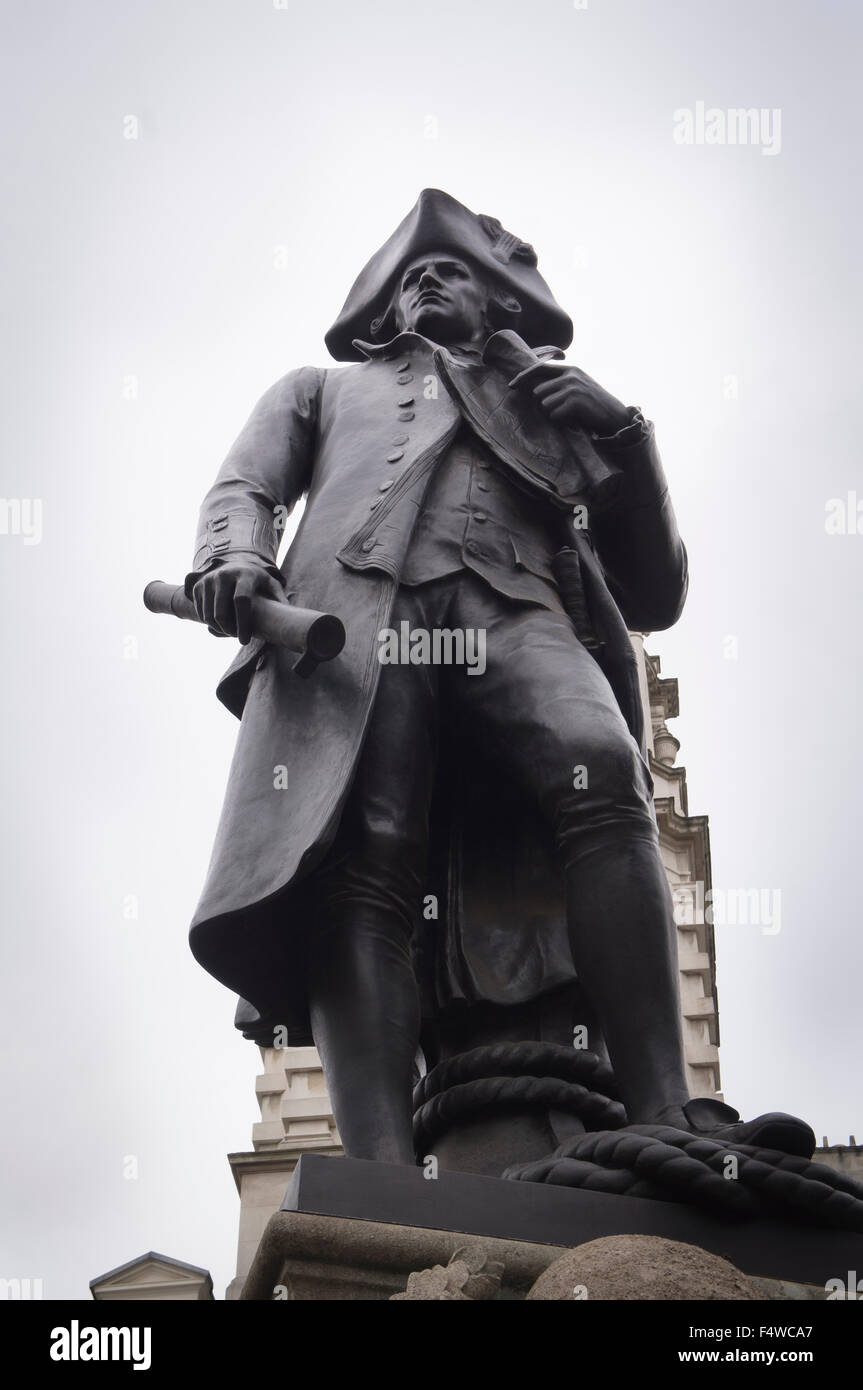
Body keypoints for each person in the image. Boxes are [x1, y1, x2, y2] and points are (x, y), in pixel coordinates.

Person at [185, 190, 812, 1164]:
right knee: (371, 857)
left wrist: (623, 434)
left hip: (516, 610)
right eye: (409, 280)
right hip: (362, 623)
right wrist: (232, 553)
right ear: (385, 314)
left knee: (603, 771)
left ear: (495, 305)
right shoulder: (319, 389)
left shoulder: (548, 404)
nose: (426, 285)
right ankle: (381, 1169)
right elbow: (246, 486)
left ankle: (664, 1105)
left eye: (450, 274)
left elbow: (652, 589)